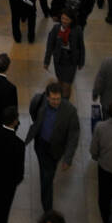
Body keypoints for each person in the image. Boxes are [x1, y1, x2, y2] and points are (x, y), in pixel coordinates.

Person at [26, 81, 80, 212]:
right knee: (45, 175)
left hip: (55, 150)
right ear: (47, 96)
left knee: (47, 178)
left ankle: (47, 209)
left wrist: (68, 159)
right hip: (40, 146)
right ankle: (47, 203)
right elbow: (34, 115)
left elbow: (73, 136)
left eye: (58, 99)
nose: (56, 102)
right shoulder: (40, 101)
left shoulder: (70, 111)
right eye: (53, 99)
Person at [43, 11, 85, 99]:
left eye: (67, 19)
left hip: (71, 61)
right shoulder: (56, 28)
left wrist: (81, 62)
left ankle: (65, 103)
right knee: (60, 82)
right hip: (59, 60)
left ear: (72, 20)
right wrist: (47, 61)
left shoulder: (77, 30)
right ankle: (60, 100)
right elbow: (50, 45)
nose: (64, 21)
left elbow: (81, 47)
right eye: (63, 18)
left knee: (67, 84)